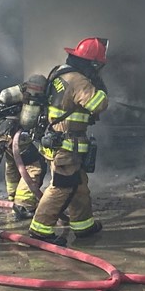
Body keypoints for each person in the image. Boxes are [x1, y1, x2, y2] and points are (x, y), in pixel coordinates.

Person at [28, 37, 110, 246]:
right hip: (66, 145)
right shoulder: (78, 80)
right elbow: (98, 104)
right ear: (92, 64)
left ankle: (83, 226)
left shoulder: (60, 73)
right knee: (62, 186)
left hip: (57, 140)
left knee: (79, 185)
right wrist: (100, 87)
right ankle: (39, 230)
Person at [0, 75, 49, 220]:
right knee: (34, 167)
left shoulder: (19, 91)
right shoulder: (39, 98)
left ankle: (12, 196)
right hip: (11, 135)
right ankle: (23, 205)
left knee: (12, 162)